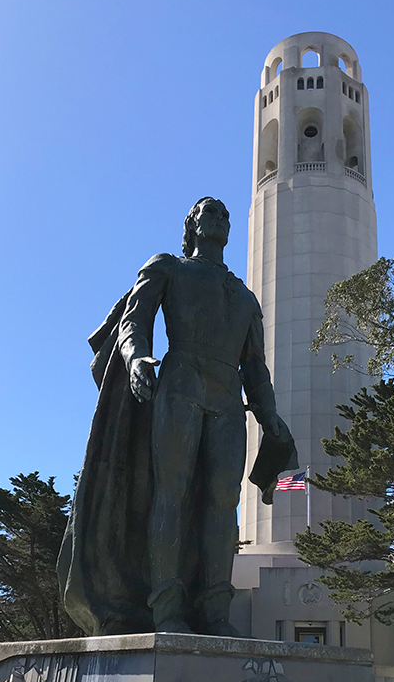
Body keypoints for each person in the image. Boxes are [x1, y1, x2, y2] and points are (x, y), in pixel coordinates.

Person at [58, 197, 296, 636]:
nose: (221, 218)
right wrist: (136, 358)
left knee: (223, 503)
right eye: (211, 212)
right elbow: (133, 322)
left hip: (228, 401)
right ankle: (167, 610)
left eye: (225, 214)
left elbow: (255, 367)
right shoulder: (169, 267)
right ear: (192, 225)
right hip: (181, 386)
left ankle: (215, 612)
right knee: (171, 494)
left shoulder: (245, 298)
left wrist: (269, 415)